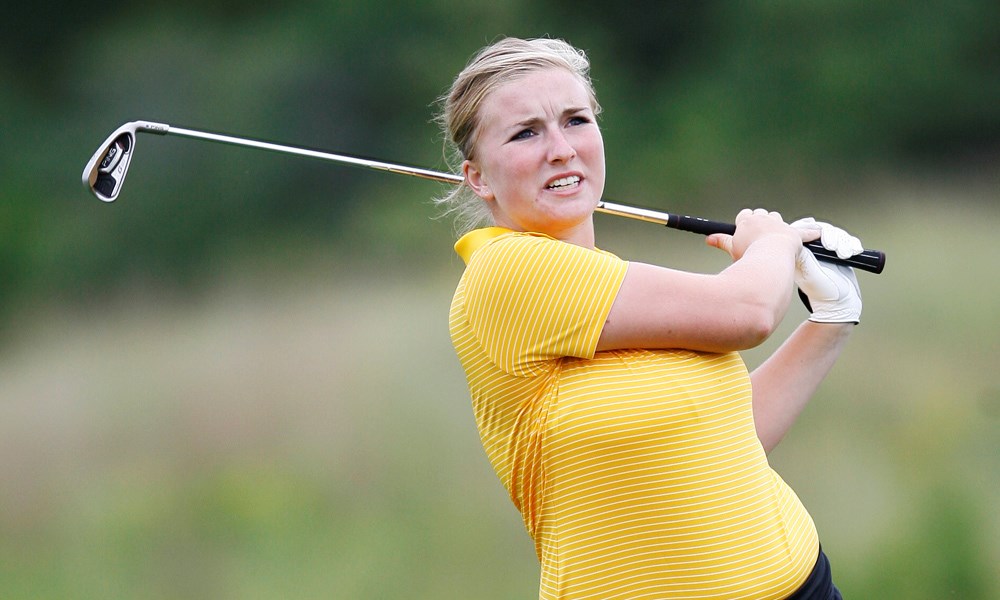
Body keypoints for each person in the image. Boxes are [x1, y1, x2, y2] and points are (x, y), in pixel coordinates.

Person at [436, 36, 862, 600]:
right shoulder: (505, 273)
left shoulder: (607, 288)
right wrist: (772, 243)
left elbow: (728, 437)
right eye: (526, 132)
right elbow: (749, 311)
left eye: (575, 120)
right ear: (479, 178)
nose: (561, 149)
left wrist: (832, 318)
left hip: (805, 584)